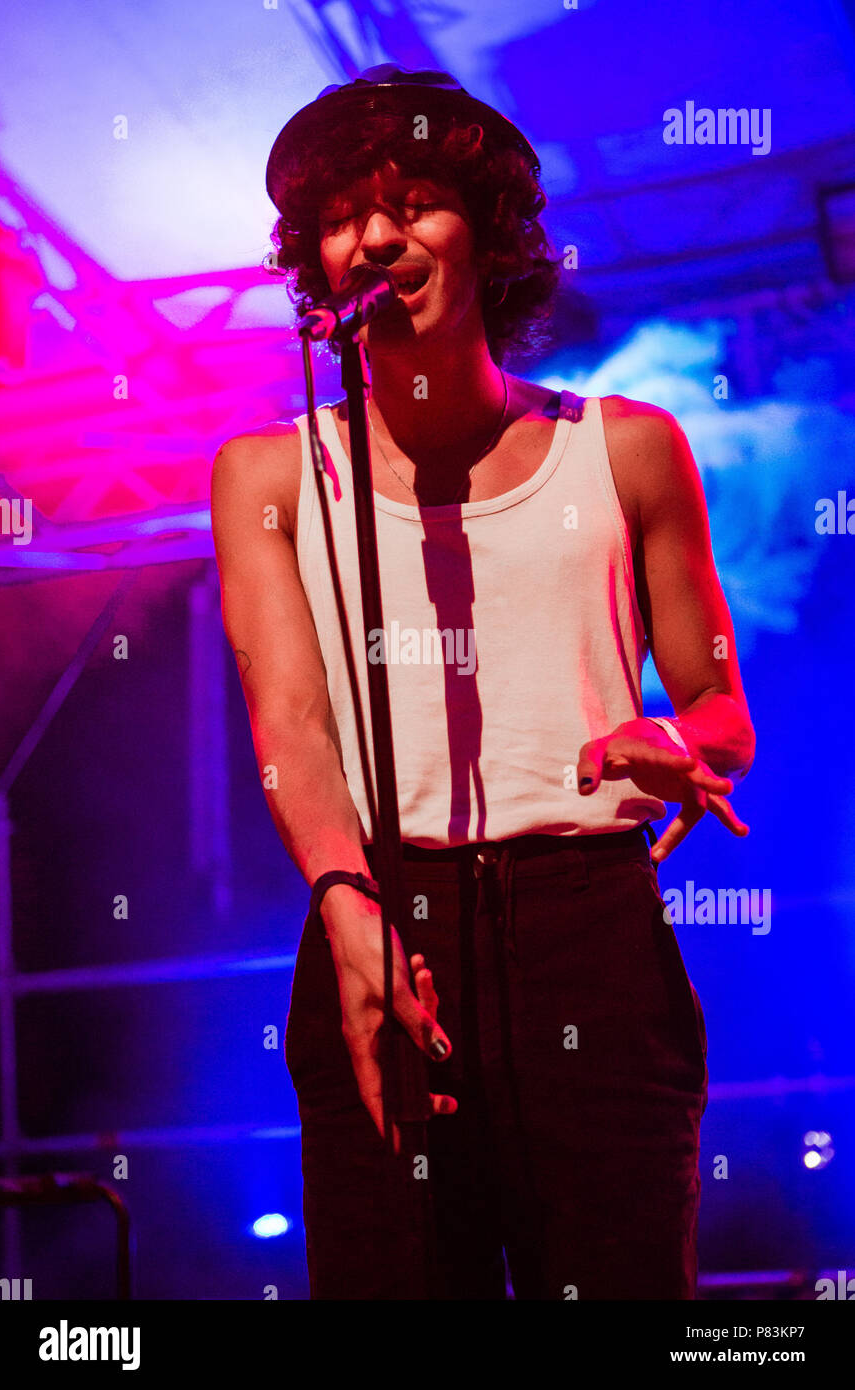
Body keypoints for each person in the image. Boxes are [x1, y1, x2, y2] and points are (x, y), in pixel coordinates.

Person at [210, 66, 756, 1300]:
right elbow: (288, 722)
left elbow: (723, 710)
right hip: (377, 911)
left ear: (489, 233)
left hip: (588, 930)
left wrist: (678, 736)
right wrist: (347, 902)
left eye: (411, 201)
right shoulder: (267, 475)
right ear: (318, 265)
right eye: (344, 215)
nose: (377, 235)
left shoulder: (624, 447)